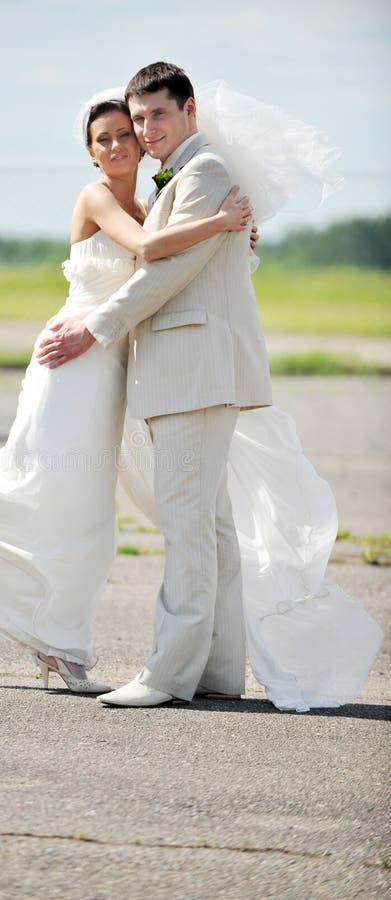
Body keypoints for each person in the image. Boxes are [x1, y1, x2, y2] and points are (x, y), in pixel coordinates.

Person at [0, 94, 254, 695]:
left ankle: (61, 646)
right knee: (34, 481)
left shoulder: (152, 204)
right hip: (71, 360)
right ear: (90, 153)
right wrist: (223, 223)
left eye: (127, 133)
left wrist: (236, 239)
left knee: (87, 513)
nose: (121, 144)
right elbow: (150, 252)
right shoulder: (97, 198)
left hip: (113, 368)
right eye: (105, 139)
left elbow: (176, 257)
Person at [36, 62, 382, 709]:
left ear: (189, 109)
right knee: (213, 530)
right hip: (193, 371)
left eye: (157, 115)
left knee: (187, 526)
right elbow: (195, 258)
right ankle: (219, 670)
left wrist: (97, 329)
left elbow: (166, 270)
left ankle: (167, 675)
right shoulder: (197, 175)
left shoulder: (204, 172)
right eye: (138, 119)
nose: (146, 130)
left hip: (189, 372)